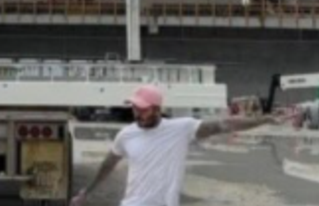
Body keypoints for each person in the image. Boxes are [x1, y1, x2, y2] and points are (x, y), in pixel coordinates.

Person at [72, 84, 278, 206]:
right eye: (135, 108)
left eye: (142, 109)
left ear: (157, 109)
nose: (137, 113)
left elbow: (224, 125)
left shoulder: (181, 128)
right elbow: (108, 164)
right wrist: (87, 192)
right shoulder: (126, 135)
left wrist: (265, 119)